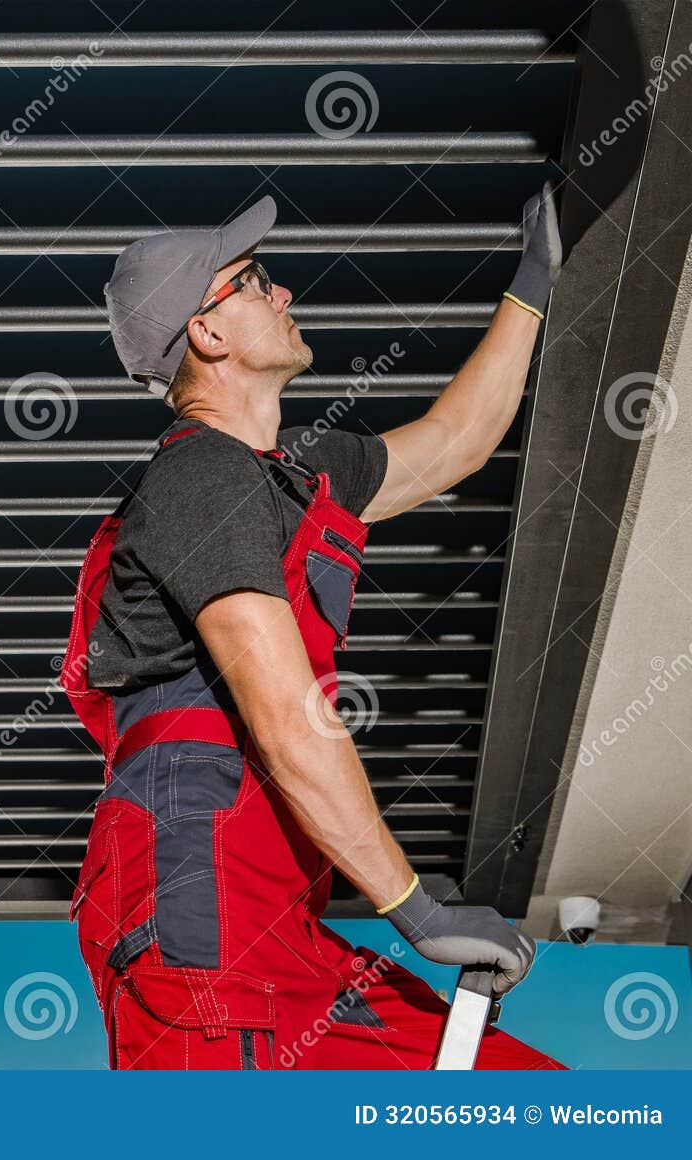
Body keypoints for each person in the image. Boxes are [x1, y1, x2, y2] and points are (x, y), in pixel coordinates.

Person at [63, 186, 566, 1069]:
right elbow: (291, 720)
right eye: (255, 281)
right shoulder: (198, 482)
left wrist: (534, 282)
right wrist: (418, 909)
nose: (283, 293)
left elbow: (455, 443)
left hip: (286, 931)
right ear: (208, 334)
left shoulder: (291, 477)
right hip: (204, 929)